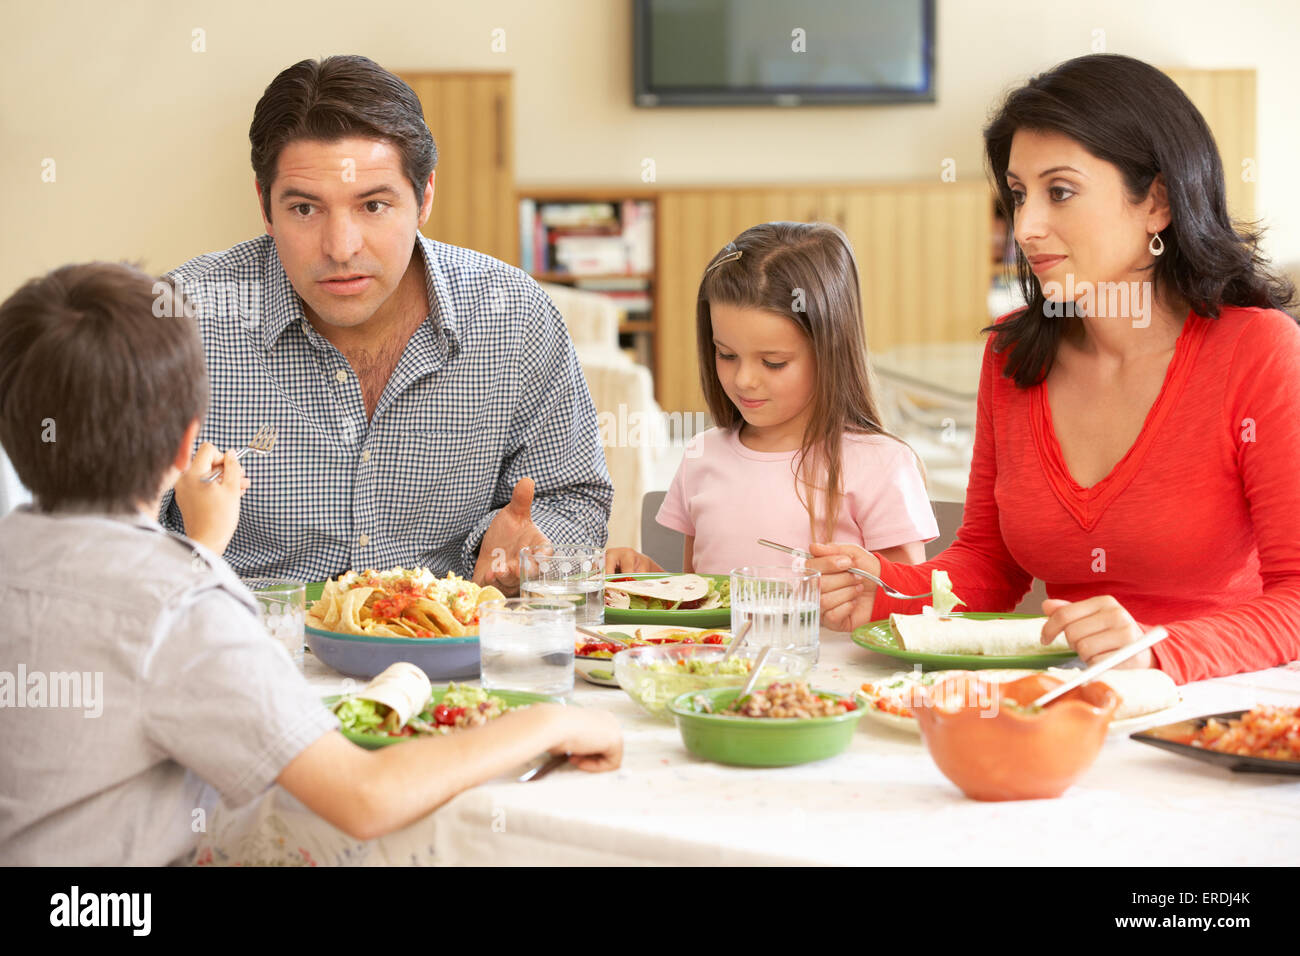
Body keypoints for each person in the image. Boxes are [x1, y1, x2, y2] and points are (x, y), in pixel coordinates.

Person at [0, 263, 622, 865]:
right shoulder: (183, 607)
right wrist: (542, 722)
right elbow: (363, 795)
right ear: (189, 440)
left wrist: (203, 548)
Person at [810, 54, 1300, 684]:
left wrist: (1154, 648)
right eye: (1017, 195)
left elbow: (1294, 599)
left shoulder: (1259, 352)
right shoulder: (1013, 355)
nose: (1026, 226)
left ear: (1157, 202)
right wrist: (884, 587)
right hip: (1056, 696)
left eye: (1059, 191)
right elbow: (989, 564)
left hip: (1213, 706)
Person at [158, 54, 654, 593]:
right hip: (245, 648)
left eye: (373, 206)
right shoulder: (181, 317)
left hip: (450, 647)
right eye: (305, 209)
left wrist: (527, 549)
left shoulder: (514, 315)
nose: (341, 248)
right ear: (264, 204)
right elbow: (104, 528)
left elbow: (572, 496)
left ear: (424, 198)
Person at [656, 221, 937, 574]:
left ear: (830, 351)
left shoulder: (881, 465)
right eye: (726, 355)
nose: (743, 380)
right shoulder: (702, 455)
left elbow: (905, 604)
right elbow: (697, 601)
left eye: (773, 363)